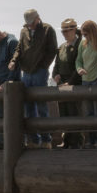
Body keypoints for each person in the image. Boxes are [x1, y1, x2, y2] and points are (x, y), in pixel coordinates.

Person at [10, 9, 58, 148]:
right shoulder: (23, 31)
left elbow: (52, 50)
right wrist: (14, 60)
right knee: (28, 107)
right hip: (26, 73)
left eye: (32, 22)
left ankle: (46, 140)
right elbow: (19, 48)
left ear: (38, 18)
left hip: (40, 72)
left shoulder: (48, 29)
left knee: (42, 106)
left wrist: (43, 66)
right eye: (28, 23)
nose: (30, 25)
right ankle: (34, 140)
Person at [77, 20, 97, 149]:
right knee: (89, 113)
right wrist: (79, 69)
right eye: (83, 35)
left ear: (92, 32)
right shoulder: (83, 43)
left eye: (86, 34)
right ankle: (91, 141)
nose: (85, 37)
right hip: (85, 80)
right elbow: (78, 60)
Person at [53, 18, 84, 148]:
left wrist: (70, 82)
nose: (64, 33)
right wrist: (55, 75)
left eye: (67, 31)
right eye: (63, 31)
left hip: (74, 83)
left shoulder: (80, 45)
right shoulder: (61, 47)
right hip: (61, 84)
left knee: (74, 112)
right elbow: (56, 64)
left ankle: (76, 141)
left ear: (74, 30)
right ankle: (66, 141)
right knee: (63, 112)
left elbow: (79, 66)